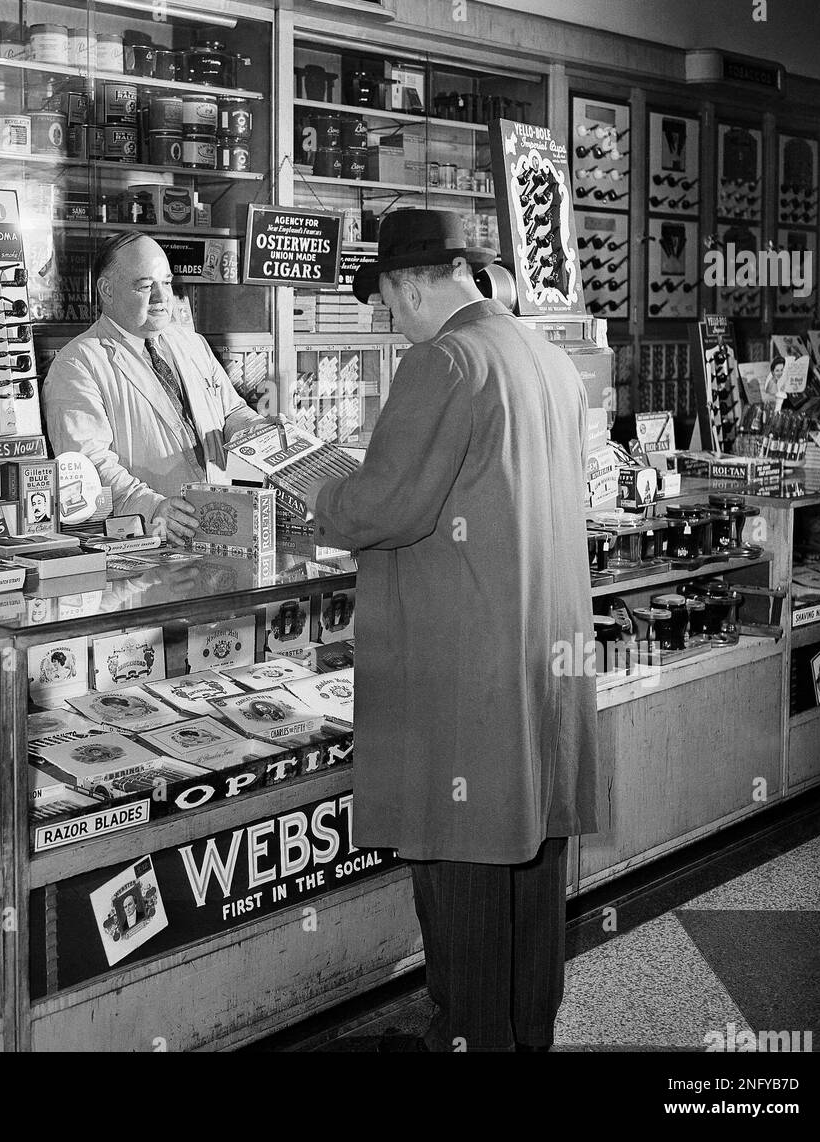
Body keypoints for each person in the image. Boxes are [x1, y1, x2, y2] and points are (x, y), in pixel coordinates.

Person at [305, 209, 600, 1053]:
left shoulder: (444, 361)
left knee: (461, 872)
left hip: (464, 668)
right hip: (539, 659)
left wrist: (303, 490)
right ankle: (523, 1036)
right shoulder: (542, 355)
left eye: (387, 303)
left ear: (407, 284)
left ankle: (471, 1039)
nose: (391, 322)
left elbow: (382, 509)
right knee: (531, 867)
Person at [43, 232, 263, 542]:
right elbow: (88, 467)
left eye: (167, 283)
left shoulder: (192, 345)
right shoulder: (77, 364)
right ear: (106, 290)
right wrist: (151, 507)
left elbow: (231, 412)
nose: (162, 298)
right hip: (146, 543)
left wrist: (260, 431)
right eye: (146, 286)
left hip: (221, 526)